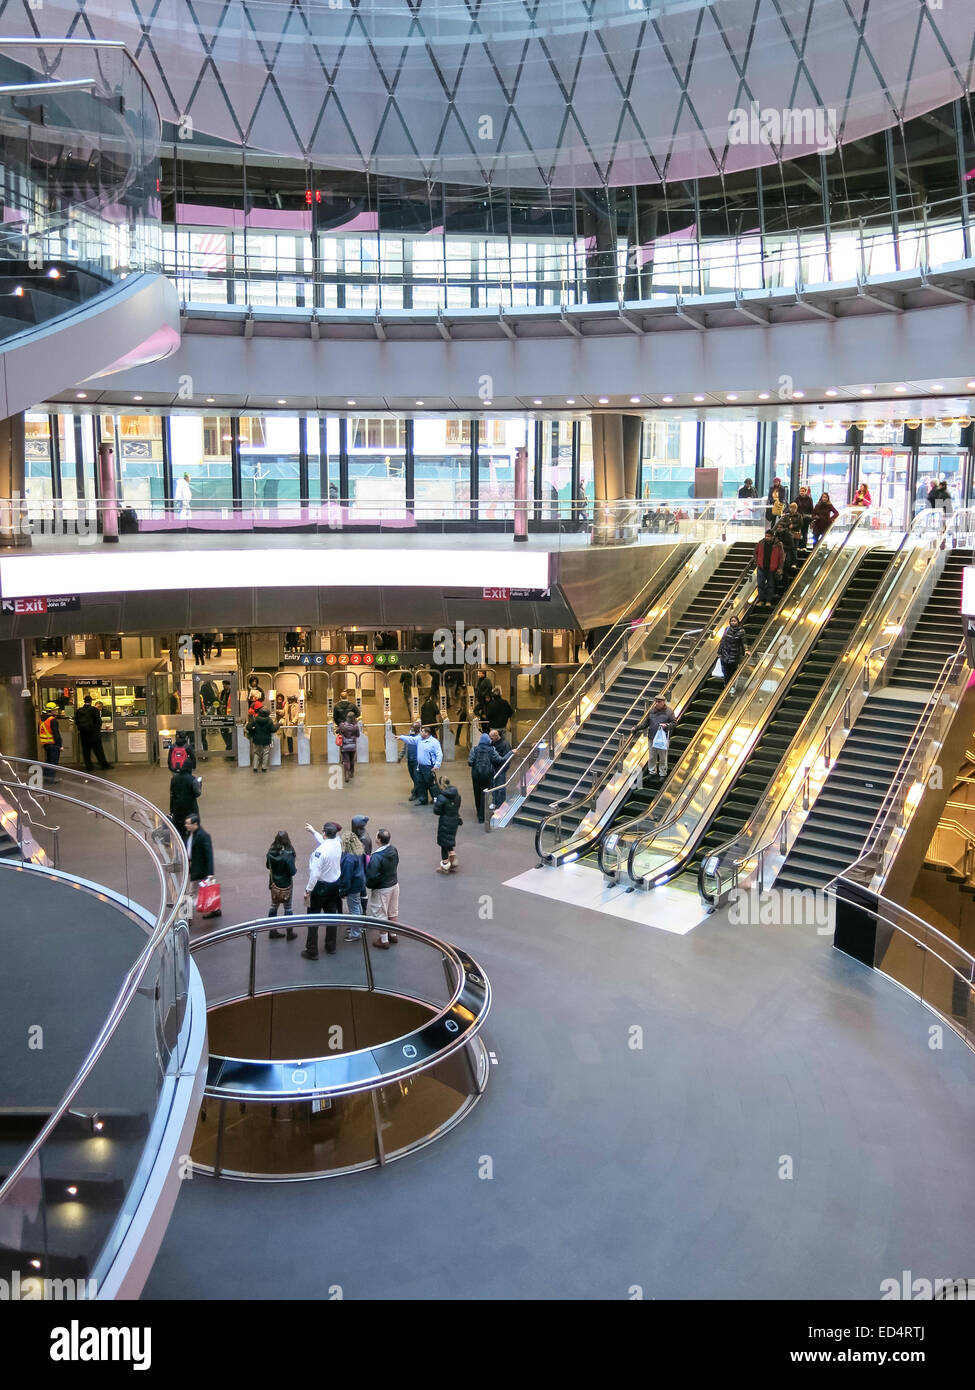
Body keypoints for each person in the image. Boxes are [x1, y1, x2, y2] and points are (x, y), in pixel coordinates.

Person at [301, 821, 343, 959]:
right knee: (332, 916)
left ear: (325, 833)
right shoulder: (337, 843)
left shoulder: (319, 853)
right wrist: (313, 832)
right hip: (334, 885)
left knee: (313, 918)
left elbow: (315, 874)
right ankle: (331, 946)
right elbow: (325, 842)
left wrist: (308, 890)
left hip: (320, 888)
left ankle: (312, 949)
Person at [365, 828, 399, 949]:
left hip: (382, 889)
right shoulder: (393, 850)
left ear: (378, 840)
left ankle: (383, 940)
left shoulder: (376, 857)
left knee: (380, 913)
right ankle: (393, 934)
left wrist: (370, 885)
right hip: (394, 884)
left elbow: (372, 876)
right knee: (392, 910)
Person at [635, 695, 677, 779]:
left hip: (663, 738)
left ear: (663, 702)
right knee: (652, 756)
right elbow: (646, 723)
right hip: (652, 737)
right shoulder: (652, 711)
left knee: (663, 757)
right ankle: (652, 772)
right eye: (656, 701)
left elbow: (674, 723)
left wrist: (667, 725)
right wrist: (636, 728)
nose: (656, 703)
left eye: (659, 702)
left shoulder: (669, 712)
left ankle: (662, 773)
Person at [266, 830, 297, 938]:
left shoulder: (270, 852)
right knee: (288, 907)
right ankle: (289, 933)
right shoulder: (288, 854)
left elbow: (267, 866)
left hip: (274, 883)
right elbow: (293, 871)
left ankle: (272, 931)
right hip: (286, 884)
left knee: (274, 905)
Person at [338, 826, 367, 941]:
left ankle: (355, 933)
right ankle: (358, 927)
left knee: (354, 907)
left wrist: (343, 891)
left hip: (353, 886)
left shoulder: (348, 858)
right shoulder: (359, 850)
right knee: (357, 905)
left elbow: (346, 877)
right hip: (360, 882)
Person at [402, 724, 442, 805]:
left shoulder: (434, 742)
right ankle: (423, 799)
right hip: (420, 766)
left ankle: (436, 799)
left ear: (427, 733)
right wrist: (401, 737)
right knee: (421, 783)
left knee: (431, 783)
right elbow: (411, 739)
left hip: (429, 766)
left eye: (422, 731)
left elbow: (439, 754)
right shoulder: (419, 739)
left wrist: (437, 765)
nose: (420, 732)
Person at [468, 731, 501, 823]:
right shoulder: (492, 749)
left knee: (477, 793)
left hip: (476, 775)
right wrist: (509, 754)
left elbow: (470, 762)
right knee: (485, 794)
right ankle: (482, 816)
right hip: (487, 776)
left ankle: (479, 812)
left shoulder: (474, 749)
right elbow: (498, 760)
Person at [73, 696, 110, 772]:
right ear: (91, 701)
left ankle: (89, 767)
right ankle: (104, 765)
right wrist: (96, 730)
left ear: (84, 701)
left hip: (84, 735)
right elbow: (99, 721)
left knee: (86, 752)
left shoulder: (79, 710)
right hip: (94, 735)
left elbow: (76, 721)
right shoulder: (94, 709)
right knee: (98, 751)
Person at [433, 779, 463, 873]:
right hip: (454, 821)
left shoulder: (441, 797)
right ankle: (453, 860)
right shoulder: (457, 795)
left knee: (443, 844)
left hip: (445, 822)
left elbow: (436, 811)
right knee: (449, 840)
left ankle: (445, 865)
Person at [183, 813, 214, 898]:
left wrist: (210, 873)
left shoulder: (204, 836)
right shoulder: (189, 833)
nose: (186, 825)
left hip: (199, 868)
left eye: (188, 823)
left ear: (195, 824)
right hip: (192, 867)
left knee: (194, 889)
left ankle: (192, 905)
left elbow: (209, 855)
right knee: (195, 889)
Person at [753, 528, 784, 606]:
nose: (767, 538)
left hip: (772, 568)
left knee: (770, 585)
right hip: (761, 567)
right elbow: (755, 552)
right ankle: (761, 600)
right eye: (766, 536)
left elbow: (781, 557)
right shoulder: (761, 543)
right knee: (760, 585)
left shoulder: (778, 544)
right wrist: (757, 562)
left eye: (768, 536)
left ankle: (768, 601)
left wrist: (780, 567)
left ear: (773, 536)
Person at [245, 700, 276, 773]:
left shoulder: (255, 720)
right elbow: (273, 729)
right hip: (266, 739)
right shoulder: (269, 721)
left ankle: (255, 767)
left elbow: (248, 727)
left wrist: (252, 730)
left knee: (256, 753)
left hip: (257, 738)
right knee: (266, 753)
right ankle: (264, 767)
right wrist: (278, 725)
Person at [716, 616, 747, 686]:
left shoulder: (741, 631)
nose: (733, 622)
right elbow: (723, 640)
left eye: (734, 621)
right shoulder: (727, 629)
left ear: (738, 622)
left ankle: (731, 687)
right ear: (730, 622)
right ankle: (726, 687)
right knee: (725, 673)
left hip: (734, 656)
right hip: (725, 654)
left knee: (732, 673)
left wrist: (746, 650)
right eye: (732, 621)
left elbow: (744, 642)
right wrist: (719, 652)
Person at [398, 719, 422, 801]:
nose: (412, 729)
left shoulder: (421, 737)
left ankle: (415, 793)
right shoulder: (409, 735)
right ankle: (418, 790)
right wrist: (400, 756)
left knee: (416, 777)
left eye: (414, 728)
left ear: (418, 729)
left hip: (417, 761)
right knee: (412, 776)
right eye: (412, 727)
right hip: (410, 760)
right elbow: (405, 747)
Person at [38, 701, 62, 780]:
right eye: (55, 709)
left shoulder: (41, 720)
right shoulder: (52, 720)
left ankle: (46, 776)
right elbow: (56, 734)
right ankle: (51, 778)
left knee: (48, 760)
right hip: (53, 744)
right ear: (51, 711)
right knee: (53, 762)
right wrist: (59, 746)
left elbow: (39, 732)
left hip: (45, 744)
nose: (56, 711)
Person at [489, 727, 512, 808]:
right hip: (495, 767)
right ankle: (495, 802)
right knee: (494, 786)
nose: (490, 739)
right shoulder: (493, 742)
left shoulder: (505, 744)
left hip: (501, 768)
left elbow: (506, 759)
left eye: (491, 737)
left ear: (496, 736)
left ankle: (500, 804)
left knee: (500, 786)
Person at [336, 711, 361, 781]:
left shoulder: (342, 725)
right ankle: (351, 773)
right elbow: (358, 735)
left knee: (346, 761)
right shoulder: (355, 726)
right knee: (351, 760)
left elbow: (337, 731)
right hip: (352, 746)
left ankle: (346, 774)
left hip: (344, 746)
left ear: (347, 717)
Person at [219, 680, 235, 756]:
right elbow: (221, 701)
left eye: (224, 685)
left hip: (230, 715)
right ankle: (228, 746)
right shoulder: (223, 692)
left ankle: (229, 748)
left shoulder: (233, 692)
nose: (223, 686)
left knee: (230, 732)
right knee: (224, 731)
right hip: (223, 714)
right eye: (223, 685)